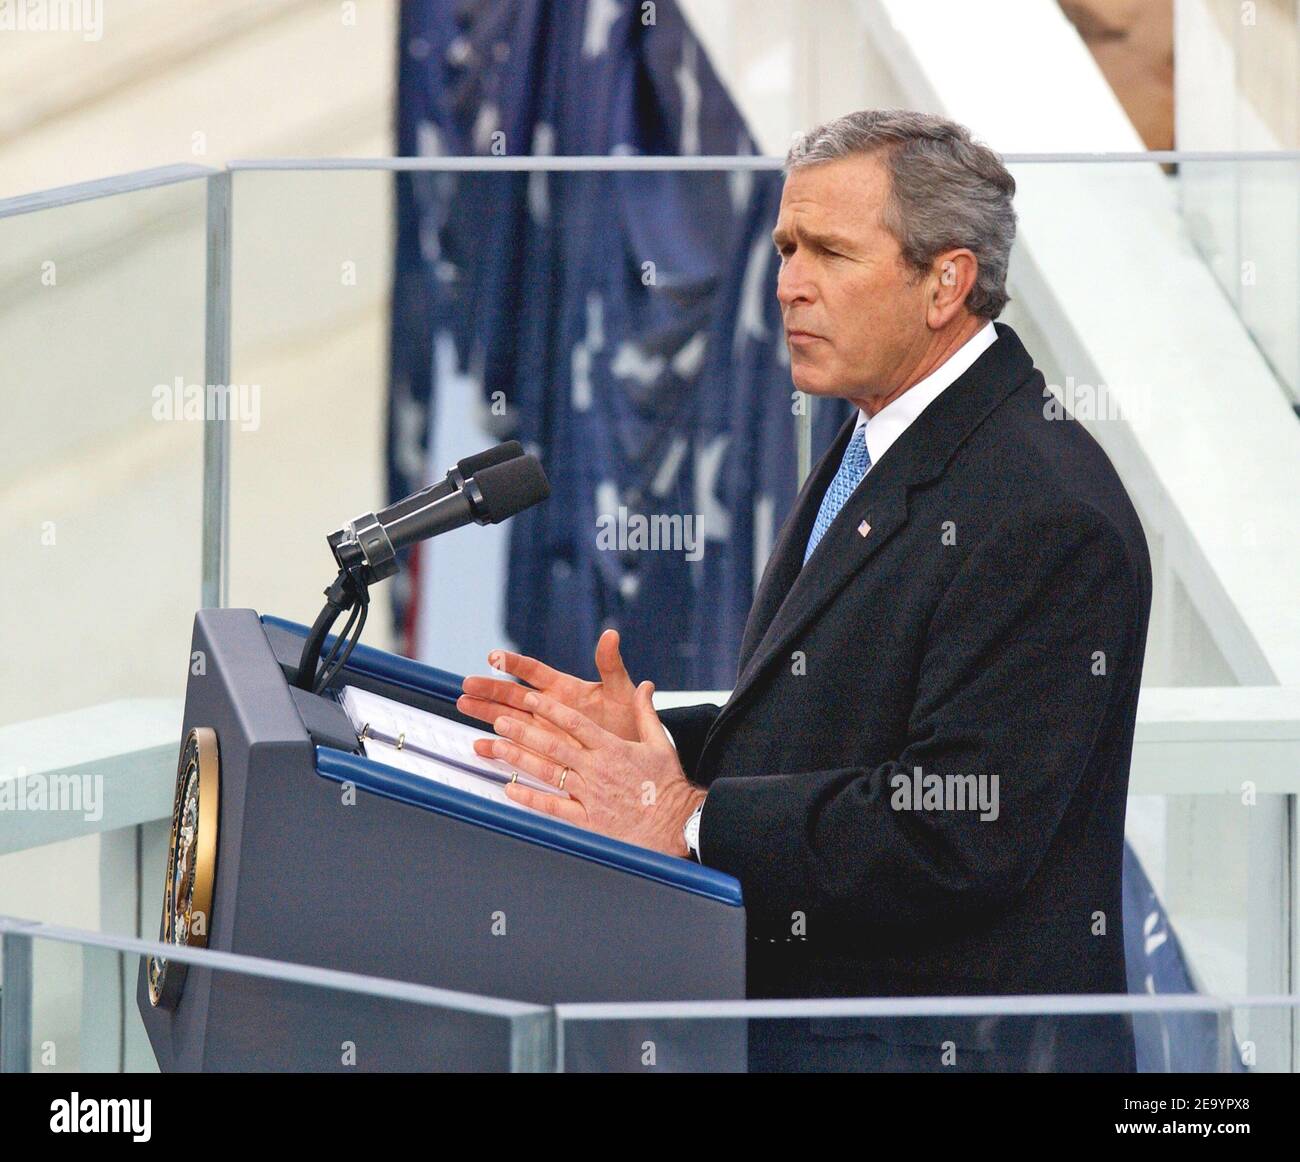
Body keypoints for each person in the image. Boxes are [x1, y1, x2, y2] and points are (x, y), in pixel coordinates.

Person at [456, 109, 1152, 1072]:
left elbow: (956, 826)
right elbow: (839, 717)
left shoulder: (1044, 510)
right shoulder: (879, 435)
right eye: (786, 247)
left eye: (830, 251)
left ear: (945, 281)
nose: (789, 284)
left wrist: (684, 815)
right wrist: (658, 746)